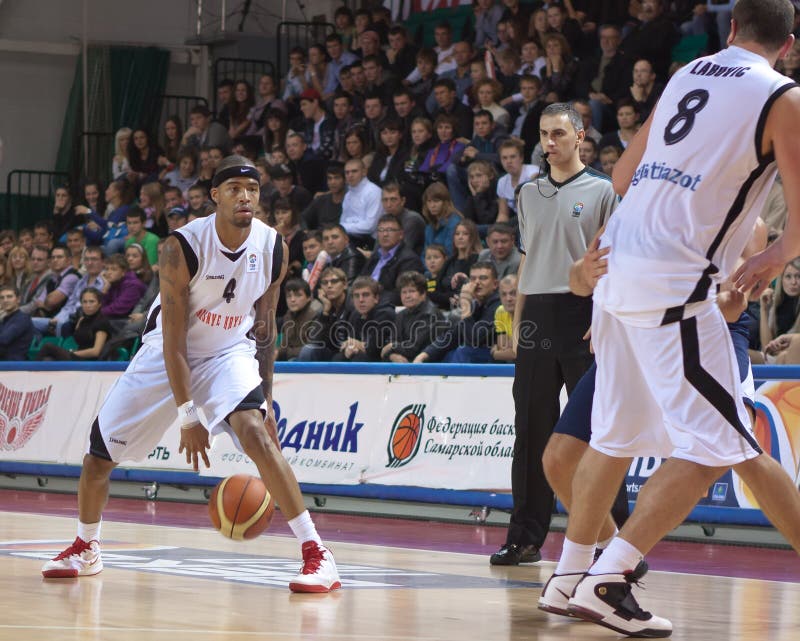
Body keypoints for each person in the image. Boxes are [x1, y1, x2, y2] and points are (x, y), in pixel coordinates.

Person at [540, 2, 800, 635]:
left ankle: (568, 575)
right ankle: (611, 577)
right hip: (673, 285)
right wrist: (773, 255)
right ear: (787, 45)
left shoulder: (688, 72)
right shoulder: (782, 96)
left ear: (731, 29)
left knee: (615, 434)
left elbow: (625, 173)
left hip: (618, 268)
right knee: (718, 447)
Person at [41, 155, 341, 592]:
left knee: (258, 434)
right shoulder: (180, 247)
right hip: (167, 355)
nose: (245, 196)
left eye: (253, 189)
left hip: (227, 354)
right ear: (215, 196)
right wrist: (187, 415)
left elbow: (264, 326)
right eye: (235, 188)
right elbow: (174, 342)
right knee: (97, 460)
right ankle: (86, 546)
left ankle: (317, 554)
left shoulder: (273, 246)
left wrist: (267, 395)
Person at [491, 102, 616, 567]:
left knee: (597, 434)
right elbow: (529, 261)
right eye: (544, 134)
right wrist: (519, 323)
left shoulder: (603, 191)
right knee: (531, 433)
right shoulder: (527, 193)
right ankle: (524, 537)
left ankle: (609, 544)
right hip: (539, 314)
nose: (550, 142)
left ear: (580, 136)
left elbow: (613, 262)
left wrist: (605, 316)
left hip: (587, 313)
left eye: (559, 133)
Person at [415, 261, 501, 363]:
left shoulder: (499, 304)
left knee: (463, 351)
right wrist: (425, 354)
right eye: (473, 279)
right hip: (479, 357)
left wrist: (465, 304)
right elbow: (454, 335)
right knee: (442, 354)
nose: (477, 282)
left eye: (483, 278)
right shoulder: (477, 304)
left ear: (495, 284)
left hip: (499, 361)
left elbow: (474, 340)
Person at [359, 214, 425, 305]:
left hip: (386, 309)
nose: (385, 234)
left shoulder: (409, 260)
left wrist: (372, 300)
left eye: (390, 230)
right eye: (381, 230)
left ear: (401, 234)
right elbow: (360, 281)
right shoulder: (375, 256)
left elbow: (401, 294)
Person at [382, 271, 444, 363]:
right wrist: (392, 356)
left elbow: (414, 348)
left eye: (412, 291)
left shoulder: (430, 314)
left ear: (423, 294)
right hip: (404, 363)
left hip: (427, 366)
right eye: (404, 292)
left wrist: (392, 347)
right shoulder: (400, 315)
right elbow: (389, 344)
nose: (407, 296)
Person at [332, 276, 395, 362]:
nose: (361, 300)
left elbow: (373, 349)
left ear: (376, 298)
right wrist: (348, 348)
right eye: (356, 296)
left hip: (382, 359)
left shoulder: (385, 314)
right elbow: (349, 342)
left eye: (365, 295)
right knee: (338, 358)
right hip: (362, 355)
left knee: (358, 359)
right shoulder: (355, 314)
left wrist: (354, 345)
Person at [37, 288, 111, 361]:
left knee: (48, 346)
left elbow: (96, 352)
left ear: (99, 304)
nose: (88, 305)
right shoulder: (82, 319)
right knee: (48, 360)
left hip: (89, 361)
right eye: (84, 302)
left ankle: (31, 370)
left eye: (92, 302)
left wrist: (73, 353)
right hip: (77, 356)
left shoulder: (102, 322)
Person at [339, 158, 383, 249]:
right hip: (350, 238)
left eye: (354, 171)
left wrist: (342, 227)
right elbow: (342, 221)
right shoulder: (348, 195)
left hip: (369, 241)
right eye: (347, 172)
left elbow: (369, 226)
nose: (350, 175)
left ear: (364, 172)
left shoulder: (374, 192)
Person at [277, 279, 322, 361]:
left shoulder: (316, 314)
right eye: (289, 296)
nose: (292, 300)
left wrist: (283, 352)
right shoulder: (288, 316)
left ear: (309, 297)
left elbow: (310, 346)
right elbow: (284, 345)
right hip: (292, 356)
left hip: (311, 359)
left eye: (298, 295)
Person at [301, 162, 345, 230]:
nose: (333, 182)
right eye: (330, 178)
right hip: (318, 236)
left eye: (337, 178)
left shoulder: (350, 201)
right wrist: (305, 231)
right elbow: (303, 217)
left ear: (344, 180)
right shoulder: (321, 200)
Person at [0, 286, 33, 360]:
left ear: (18, 299)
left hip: (15, 366)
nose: (5, 300)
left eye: (9, 297)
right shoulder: (4, 320)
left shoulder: (22, 319)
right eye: (2, 298)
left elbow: (4, 339)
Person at [491, 274, 517, 362]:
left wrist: (494, 354)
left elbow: (515, 353)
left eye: (513, 293)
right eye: (504, 294)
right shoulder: (500, 311)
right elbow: (502, 347)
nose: (508, 299)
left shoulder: (529, 313)